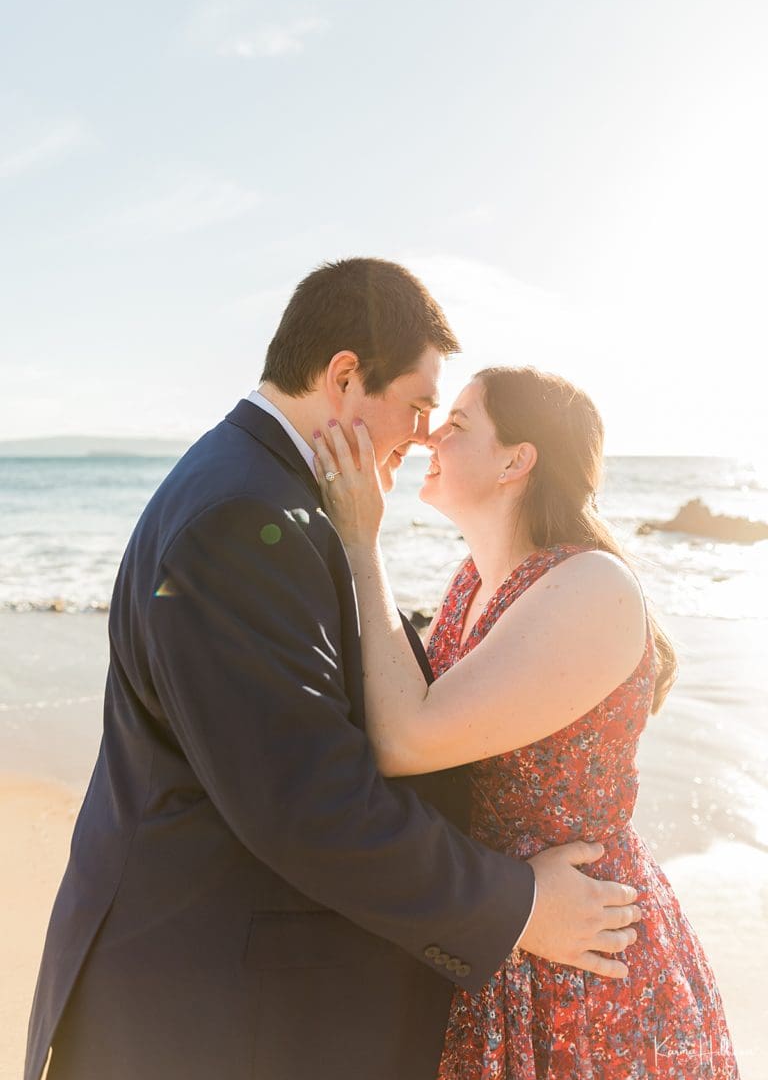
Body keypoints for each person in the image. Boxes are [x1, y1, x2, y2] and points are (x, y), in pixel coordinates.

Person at [26, 263, 640, 1080]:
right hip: (205, 1017)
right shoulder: (245, 516)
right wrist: (519, 906)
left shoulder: (260, 490)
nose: (423, 434)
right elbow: (311, 803)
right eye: (420, 406)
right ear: (345, 376)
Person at [314, 364, 740, 1079]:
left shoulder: (592, 586)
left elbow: (407, 736)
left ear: (517, 459)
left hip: (584, 959)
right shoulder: (472, 581)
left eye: (456, 423)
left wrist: (361, 542)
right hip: (505, 931)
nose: (429, 437)